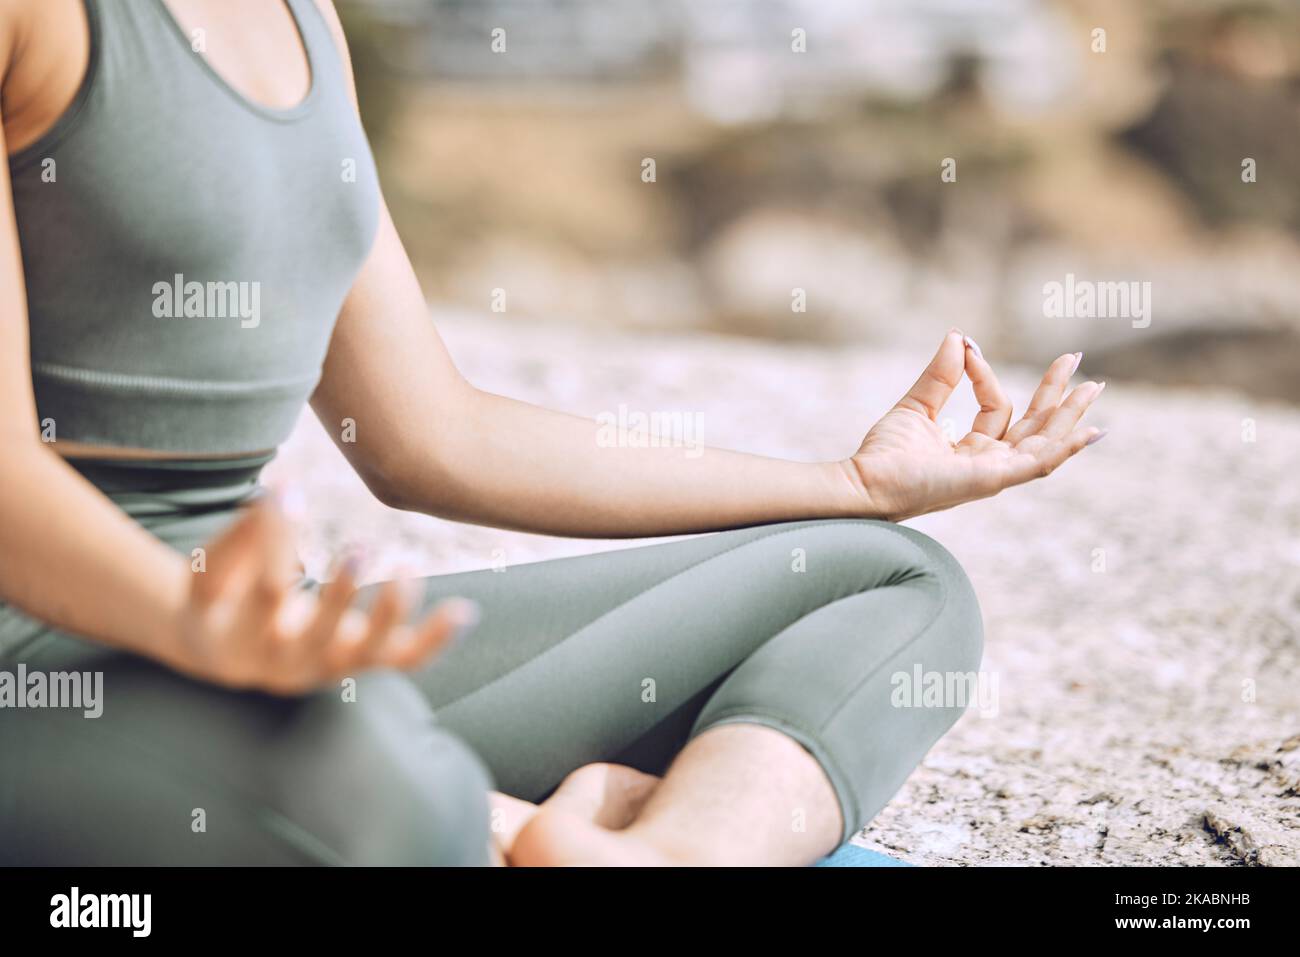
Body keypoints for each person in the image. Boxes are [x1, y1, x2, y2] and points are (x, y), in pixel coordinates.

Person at [0, 0, 1105, 865]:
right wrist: (199, 629)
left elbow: (430, 437)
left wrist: (851, 485)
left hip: (277, 650)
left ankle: (659, 854)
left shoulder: (305, 21)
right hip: (49, 671)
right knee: (397, 809)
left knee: (891, 584)